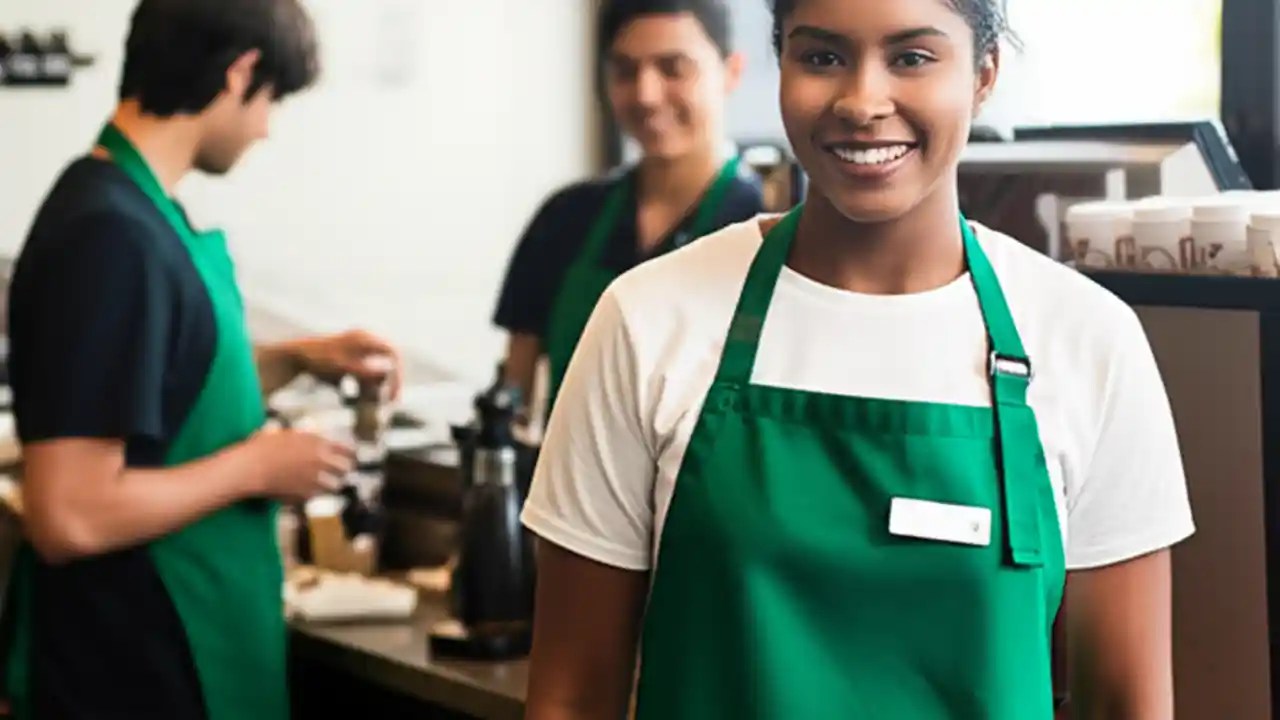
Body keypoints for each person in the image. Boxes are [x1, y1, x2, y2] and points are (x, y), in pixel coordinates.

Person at [520, 0, 1195, 717]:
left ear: (984, 75)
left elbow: (1128, 704)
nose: (862, 101)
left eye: (911, 58)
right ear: (780, 67)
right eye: (822, 58)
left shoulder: (1088, 339)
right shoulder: (647, 320)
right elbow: (572, 695)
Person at [2, 1, 403, 718]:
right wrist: (260, 465)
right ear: (240, 71)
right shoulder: (110, 235)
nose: (267, 127)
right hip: (128, 669)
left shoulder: (138, 214)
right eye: (271, 98)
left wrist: (304, 358)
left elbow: (157, 382)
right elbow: (68, 514)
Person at [492, 0, 765, 420]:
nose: (646, 94)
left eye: (673, 68)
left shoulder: (771, 224)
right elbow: (512, 398)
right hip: (570, 482)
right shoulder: (565, 217)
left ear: (732, 71)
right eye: (625, 70)